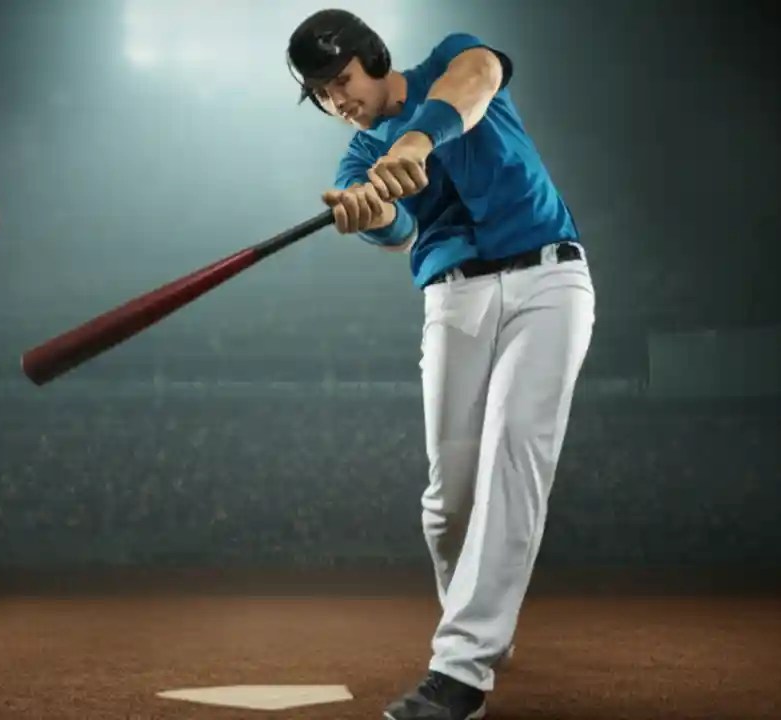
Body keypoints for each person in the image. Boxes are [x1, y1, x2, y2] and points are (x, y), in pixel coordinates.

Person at [286, 9, 596, 720]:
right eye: (322, 94)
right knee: (448, 503)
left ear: (373, 56)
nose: (337, 100)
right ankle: (482, 622)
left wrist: (419, 138)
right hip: (454, 296)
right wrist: (370, 215)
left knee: (513, 459)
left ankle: (460, 670)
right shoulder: (357, 160)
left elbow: (479, 76)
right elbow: (400, 230)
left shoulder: (449, 62)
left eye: (341, 79)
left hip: (549, 279)